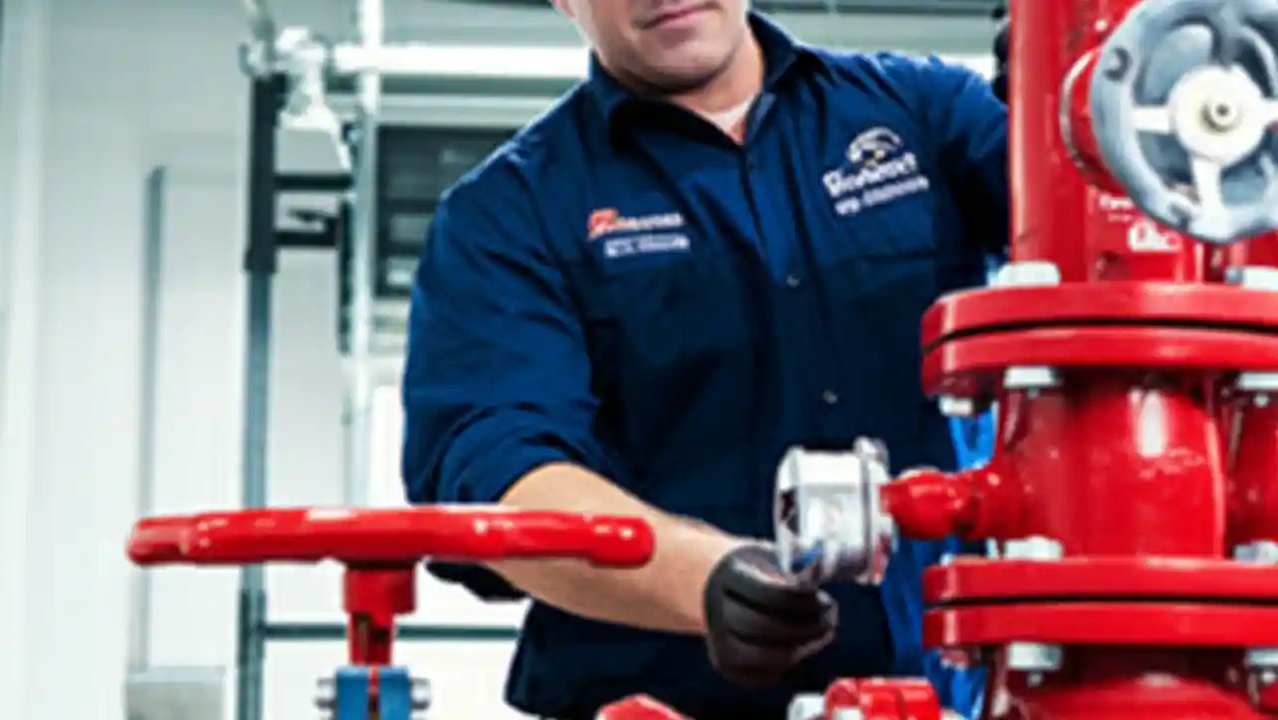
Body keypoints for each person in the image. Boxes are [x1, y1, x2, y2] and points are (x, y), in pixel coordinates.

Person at [400, 1, 1008, 718]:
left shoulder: (925, 112)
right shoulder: (509, 215)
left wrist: (1071, 92)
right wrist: (708, 580)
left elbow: (1123, 228)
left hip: (943, 694)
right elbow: (501, 478)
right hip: (659, 701)